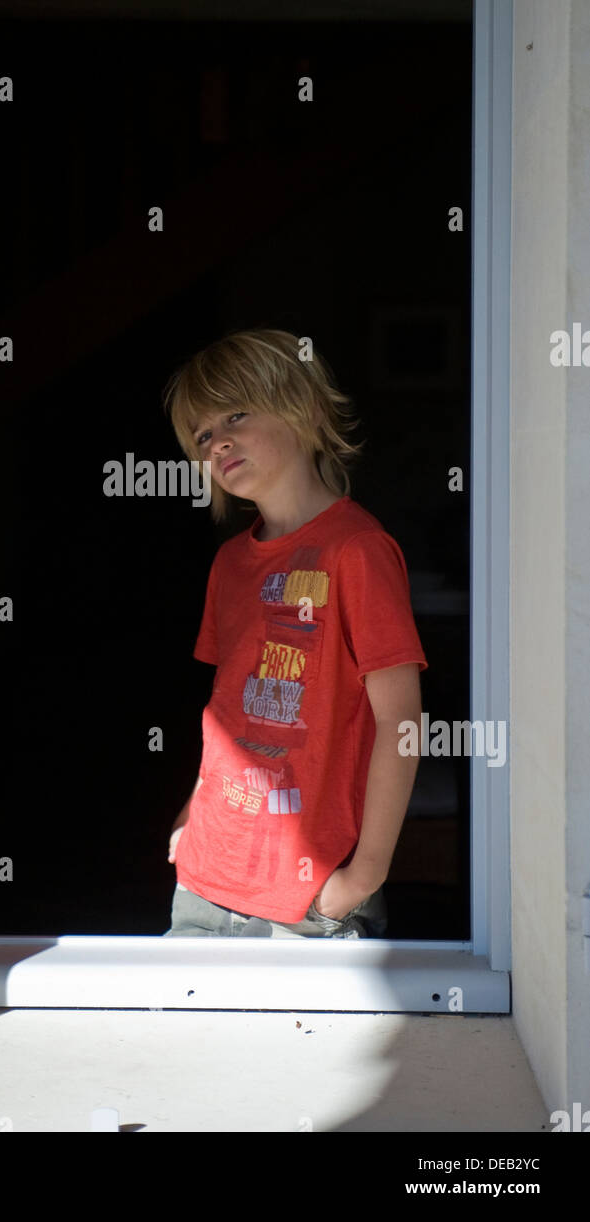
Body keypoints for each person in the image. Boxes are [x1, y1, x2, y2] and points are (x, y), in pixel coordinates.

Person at [160, 327, 428, 939]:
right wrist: (192, 812)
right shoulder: (229, 562)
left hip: (310, 896)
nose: (218, 440)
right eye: (202, 435)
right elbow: (231, 712)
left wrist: (361, 879)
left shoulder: (356, 551)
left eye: (235, 412)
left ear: (304, 410)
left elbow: (402, 723)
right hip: (205, 877)